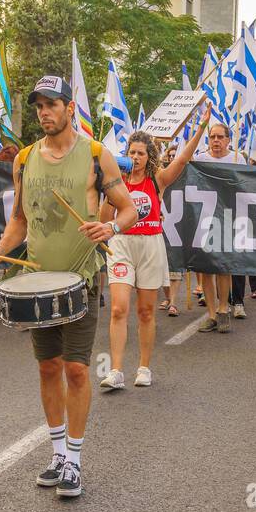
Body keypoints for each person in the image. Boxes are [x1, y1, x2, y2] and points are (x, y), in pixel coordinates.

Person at [0, 75, 136, 499]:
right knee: (48, 367)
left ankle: (75, 460)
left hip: (81, 275)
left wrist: (109, 226)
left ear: (70, 108)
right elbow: (19, 220)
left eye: (52, 104)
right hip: (36, 280)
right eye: (38, 106)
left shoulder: (97, 155)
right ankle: (56, 453)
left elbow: (130, 209)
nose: (44, 112)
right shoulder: (24, 159)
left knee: (77, 368)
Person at [100, 113, 207, 390]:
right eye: (131, 152)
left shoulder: (158, 179)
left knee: (146, 311)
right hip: (121, 245)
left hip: (150, 245)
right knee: (117, 308)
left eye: (140, 153)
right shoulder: (116, 181)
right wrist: (109, 190)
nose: (135, 157)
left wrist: (201, 128)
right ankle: (115, 370)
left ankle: (144, 367)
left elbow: (181, 160)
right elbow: (104, 219)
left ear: (149, 157)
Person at [192, 120, 245, 333]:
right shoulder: (200, 159)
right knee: (206, 269)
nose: (215, 140)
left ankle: (224, 309)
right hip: (204, 219)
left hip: (228, 219)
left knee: (223, 267)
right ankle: (212, 314)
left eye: (220, 137)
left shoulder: (237, 159)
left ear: (228, 140)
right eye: (212, 137)